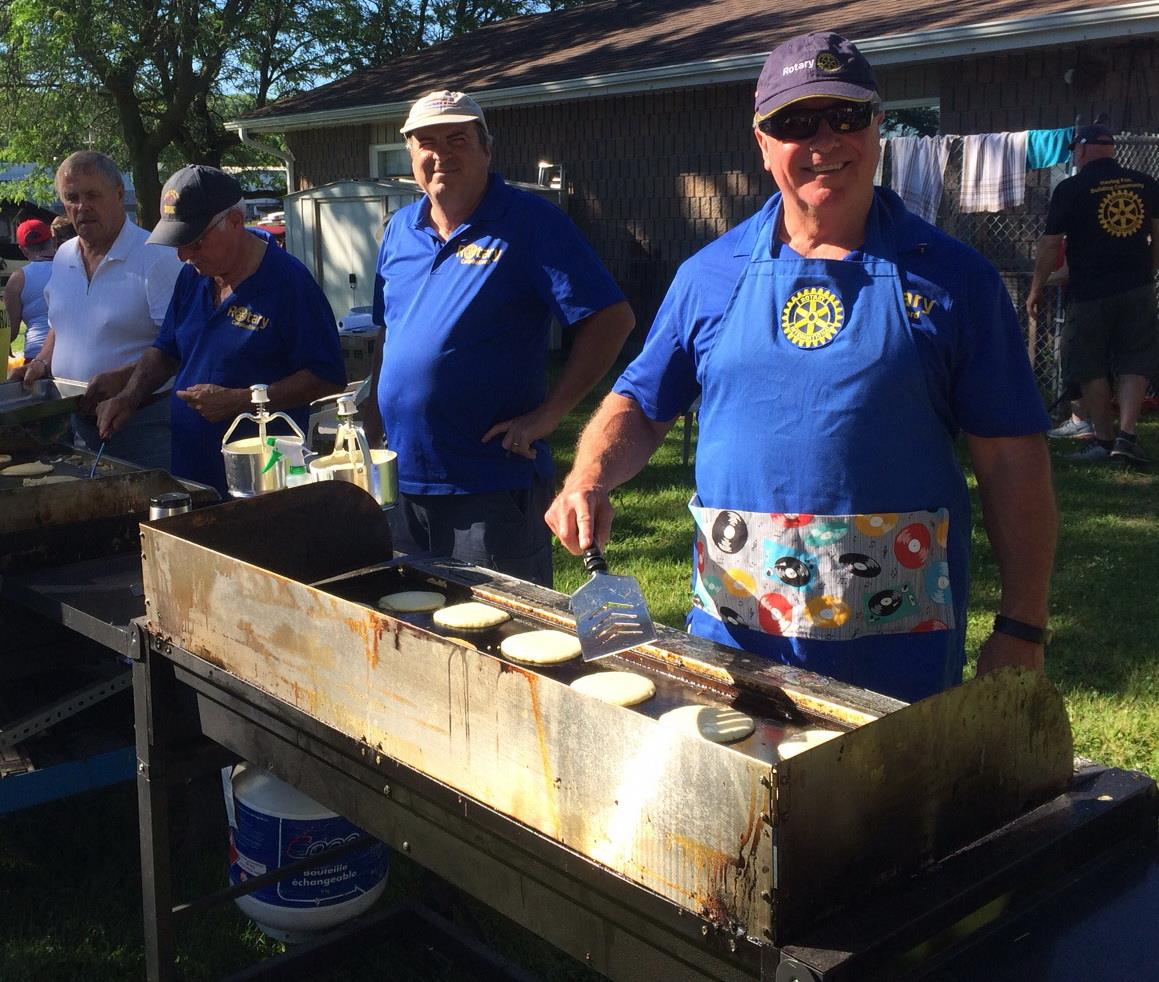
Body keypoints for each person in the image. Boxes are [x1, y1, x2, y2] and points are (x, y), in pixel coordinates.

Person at [547, 32, 1056, 704]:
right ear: (761, 142)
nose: (823, 140)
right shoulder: (707, 276)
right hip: (733, 648)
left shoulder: (955, 280)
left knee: (893, 806)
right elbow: (641, 405)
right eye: (793, 122)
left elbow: (1010, 461)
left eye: (844, 116)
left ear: (877, 126)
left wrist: (1022, 624)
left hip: (897, 655)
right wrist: (589, 474)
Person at [368, 90, 635, 586]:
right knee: (411, 624)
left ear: (486, 149)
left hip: (490, 486)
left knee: (500, 639)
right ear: (410, 154)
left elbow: (610, 318)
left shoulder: (530, 222)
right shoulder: (399, 229)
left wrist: (548, 415)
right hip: (401, 481)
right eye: (426, 143)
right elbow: (391, 330)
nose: (440, 154)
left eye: (457, 139)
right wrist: (370, 415)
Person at [93, 165, 346, 495]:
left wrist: (242, 401)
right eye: (178, 244)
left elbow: (327, 375)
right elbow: (167, 350)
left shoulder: (289, 284)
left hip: (262, 482)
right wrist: (129, 395)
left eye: (195, 242)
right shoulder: (193, 276)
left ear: (236, 222)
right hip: (191, 474)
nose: (184, 256)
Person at [12, 151, 183, 469]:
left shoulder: (156, 257)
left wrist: (124, 382)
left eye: (92, 195)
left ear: (119, 194)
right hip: (78, 424)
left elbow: (180, 346)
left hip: (144, 425)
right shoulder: (63, 256)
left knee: (148, 515)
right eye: (71, 197)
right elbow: (59, 325)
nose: (81, 206)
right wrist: (41, 362)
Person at [1028, 124, 1159, 465]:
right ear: (1112, 150)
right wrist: (1151, 268)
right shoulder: (1145, 184)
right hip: (1138, 285)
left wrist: (1036, 287)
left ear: (1083, 150)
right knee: (1135, 358)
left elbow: (1050, 243)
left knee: (1090, 365)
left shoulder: (1071, 188)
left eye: (1074, 151)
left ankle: (1104, 439)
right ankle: (1127, 436)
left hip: (1089, 292)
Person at [3, 219, 55, 363]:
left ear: (23, 249)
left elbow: (10, 332)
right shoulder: (72, 267)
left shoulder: (18, 278)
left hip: (36, 355)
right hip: (70, 353)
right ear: (52, 240)